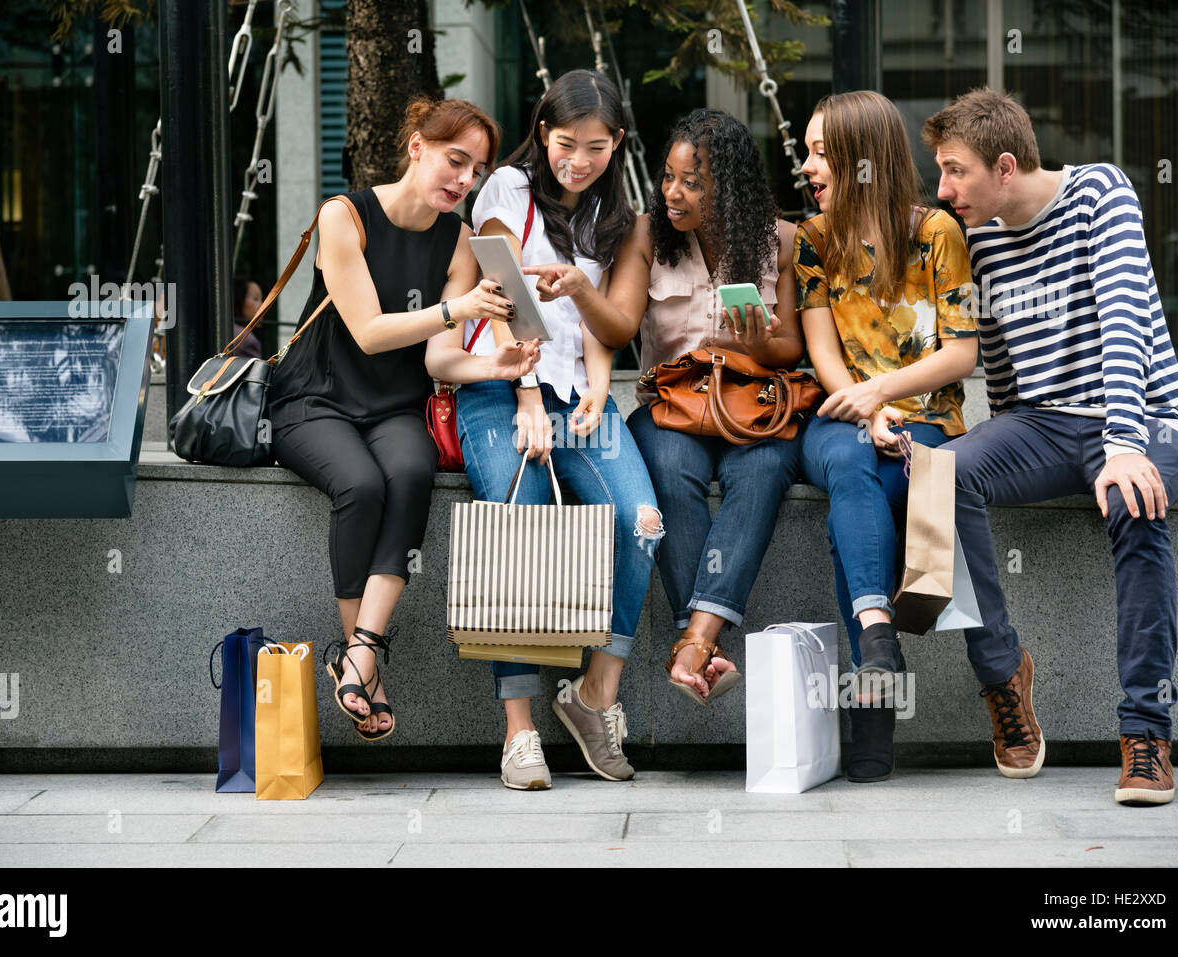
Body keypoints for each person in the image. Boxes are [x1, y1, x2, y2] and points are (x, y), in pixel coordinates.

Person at [922, 88, 1178, 804]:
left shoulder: (1101, 193)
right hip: (1046, 424)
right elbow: (1004, 364)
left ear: (1005, 165)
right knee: (941, 472)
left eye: (956, 171)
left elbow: (1124, 320)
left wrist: (1125, 443)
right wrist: (1002, 444)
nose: (944, 189)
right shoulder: (977, 236)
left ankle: (1146, 730)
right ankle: (1004, 671)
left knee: (1136, 504)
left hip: (1145, 413)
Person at [267, 97, 535, 743]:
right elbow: (368, 331)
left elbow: (441, 354)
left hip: (394, 403)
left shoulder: (460, 239)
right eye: (454, 160)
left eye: (475, 170)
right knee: (361, 484)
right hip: (315, 396)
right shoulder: (344, 215)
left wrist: (496, 366)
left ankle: (358, 653)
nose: (463, 179)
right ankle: (367, 668)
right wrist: (458, 309)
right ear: (416, 146)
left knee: (411, 472)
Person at [428, 69, 662, 790]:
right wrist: (526, 393)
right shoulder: (506, 187)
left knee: (643, 521)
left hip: (573, 393)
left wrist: (597, 388)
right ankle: (520, 729)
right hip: (500, 383)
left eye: (595, 147)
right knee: (521, 524)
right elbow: (504, 291)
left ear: (616, 142)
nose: (578, 160)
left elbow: (594, 323)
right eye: (566, 144)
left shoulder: (612, 214)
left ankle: (594, 698)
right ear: (543, 133)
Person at [585, 107, 805, 704]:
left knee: (762, 472)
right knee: (668, 471)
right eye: (668, 177)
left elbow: (792, 347)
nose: (673, 194)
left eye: (693, 183)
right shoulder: (646, 236)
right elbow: (620, 324)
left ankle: (692, 642)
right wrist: (583, 292)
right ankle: (702, 641)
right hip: (673, 406)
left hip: (750, 406)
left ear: (727, 188)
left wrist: (755, 339)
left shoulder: (781, 241)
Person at [795, 90, 979, 782]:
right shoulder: (813, 240)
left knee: (869, 485)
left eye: (820, 152)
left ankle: (874, 678)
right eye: (808, 151)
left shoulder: (935, 232)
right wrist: (864, 404)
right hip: (842, 413)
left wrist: (885, 396)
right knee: (849, 458)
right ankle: (879, 641)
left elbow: (962, 353)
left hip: (925, 416)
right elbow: (823, 348)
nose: (808, 166)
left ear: (860, 157)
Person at [231, 277, 265, 359]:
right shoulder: (247, 340)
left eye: (262, 299)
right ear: (239, 300)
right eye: (255, 299)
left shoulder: (228, 331)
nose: (263, 305)